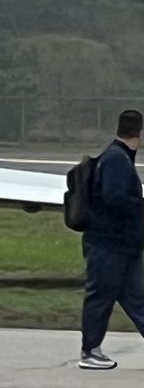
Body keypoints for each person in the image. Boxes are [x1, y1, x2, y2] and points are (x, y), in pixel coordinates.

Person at [78, 109, 144, 370]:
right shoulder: (116, 159)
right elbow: (114, 198)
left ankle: (91, 350)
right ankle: (90, 352)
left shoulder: (118, 157)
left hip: (123, 246)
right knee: (101, 297)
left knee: (138, 298)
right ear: (139, 133)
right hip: (108, 245)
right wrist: (140, 206)